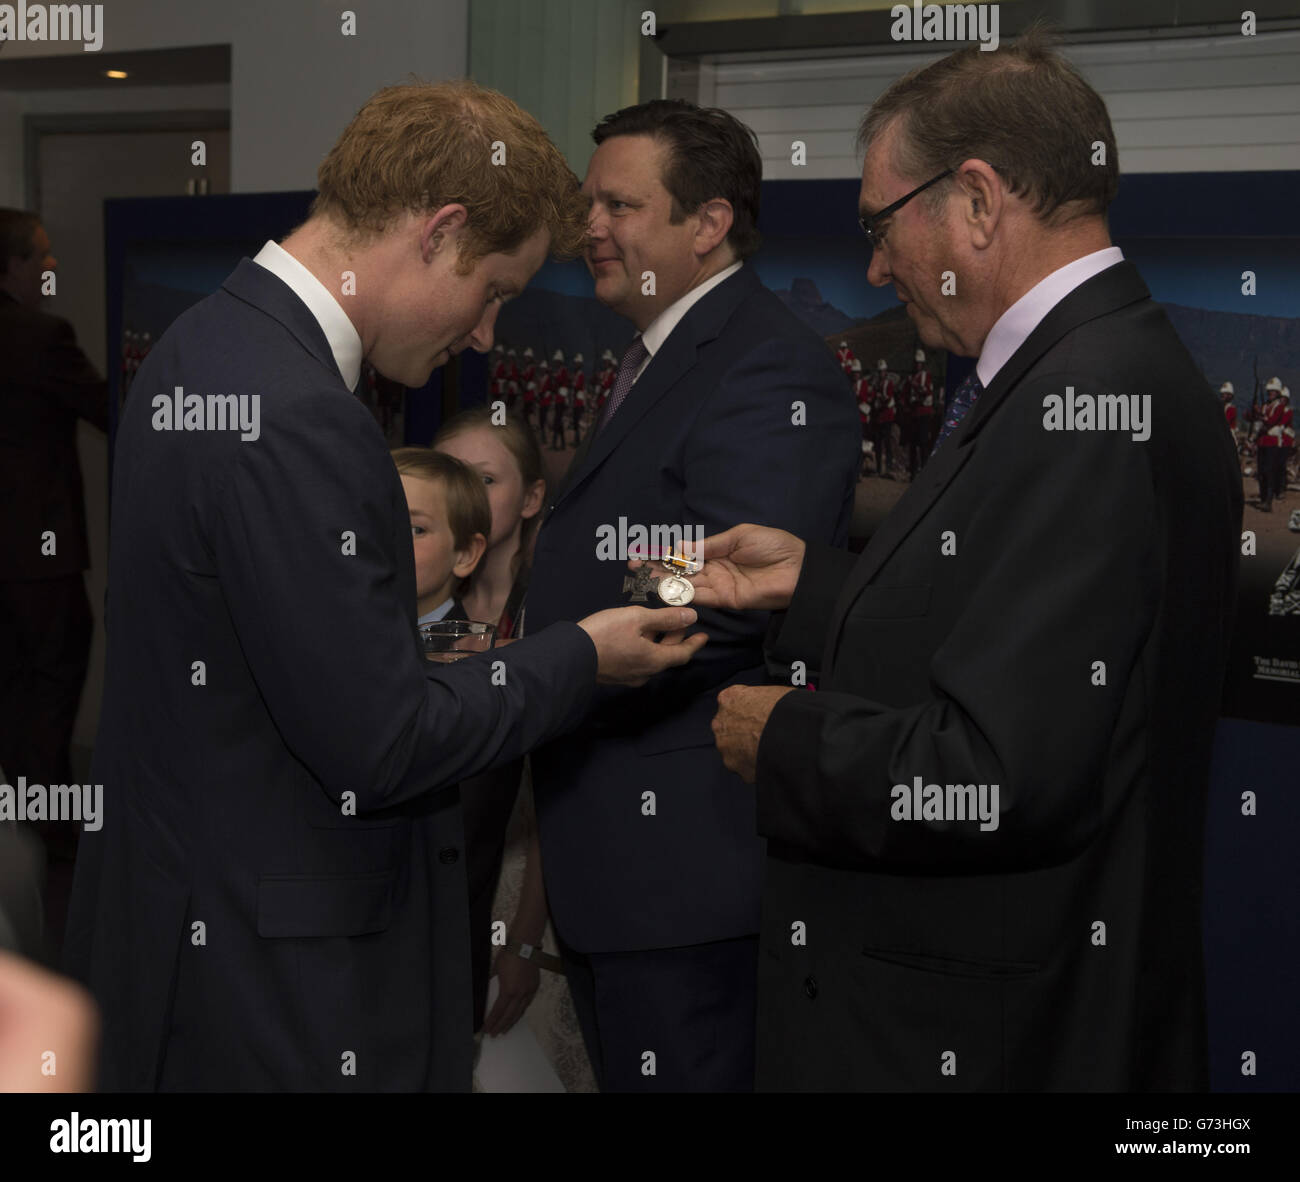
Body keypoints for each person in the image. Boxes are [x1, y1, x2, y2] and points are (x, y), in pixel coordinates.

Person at [62, 80, 706, 1093]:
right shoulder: (300, 413)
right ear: (440, 230)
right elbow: (383, 742)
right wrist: (586, 654)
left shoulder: (204, 344)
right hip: (275, 986)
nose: (489, 335)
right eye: (494, 289)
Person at [685, 29, 1241, 1090]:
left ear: (978, 200)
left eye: (881, 223)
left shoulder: (1079, 407)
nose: (874, 264)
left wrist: (788, 739)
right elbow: (1013, 638)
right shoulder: (1088, 370)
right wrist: (813, 589)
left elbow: (996, 779)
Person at [528, 98, 860, 1092]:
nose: (590, 227)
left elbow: (729, 586)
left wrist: (564, 636)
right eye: (590, 205)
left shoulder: (763, 364)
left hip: (683, 870)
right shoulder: (656, 356)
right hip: (616, 861)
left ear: (707, 223)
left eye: (619, 206)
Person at [435, 409, 594, 1090]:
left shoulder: (559, 620)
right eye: (447, 476)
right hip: (446, 894)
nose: (461, 494)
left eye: (484, 478)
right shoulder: (426, 614)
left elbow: (567, 793)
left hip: (542, 894)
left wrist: (523, 944)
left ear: (532, 498)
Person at [0, 211, 108, 893]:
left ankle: (20, 830)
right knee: (49, 691)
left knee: (10, 693)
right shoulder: (40, 337)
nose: (49, 269)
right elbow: (114, 409)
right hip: (39, 563)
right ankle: (49, 837)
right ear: (8, 266)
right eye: (40, 258)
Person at [1257, 377, 1289, 512]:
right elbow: (1250, 417)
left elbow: (1271, 421)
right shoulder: (1265, 406)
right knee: (1261, 472)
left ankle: (1268, 501)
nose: (1270, 393)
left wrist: (1259, 414)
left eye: (1273, 391)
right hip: (1262, 441)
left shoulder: (1280, 407)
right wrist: (1254, 413)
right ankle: (1263, 498)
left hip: (1272, 442)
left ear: (1277, 393)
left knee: (1269, 471)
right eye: (1269, 391)